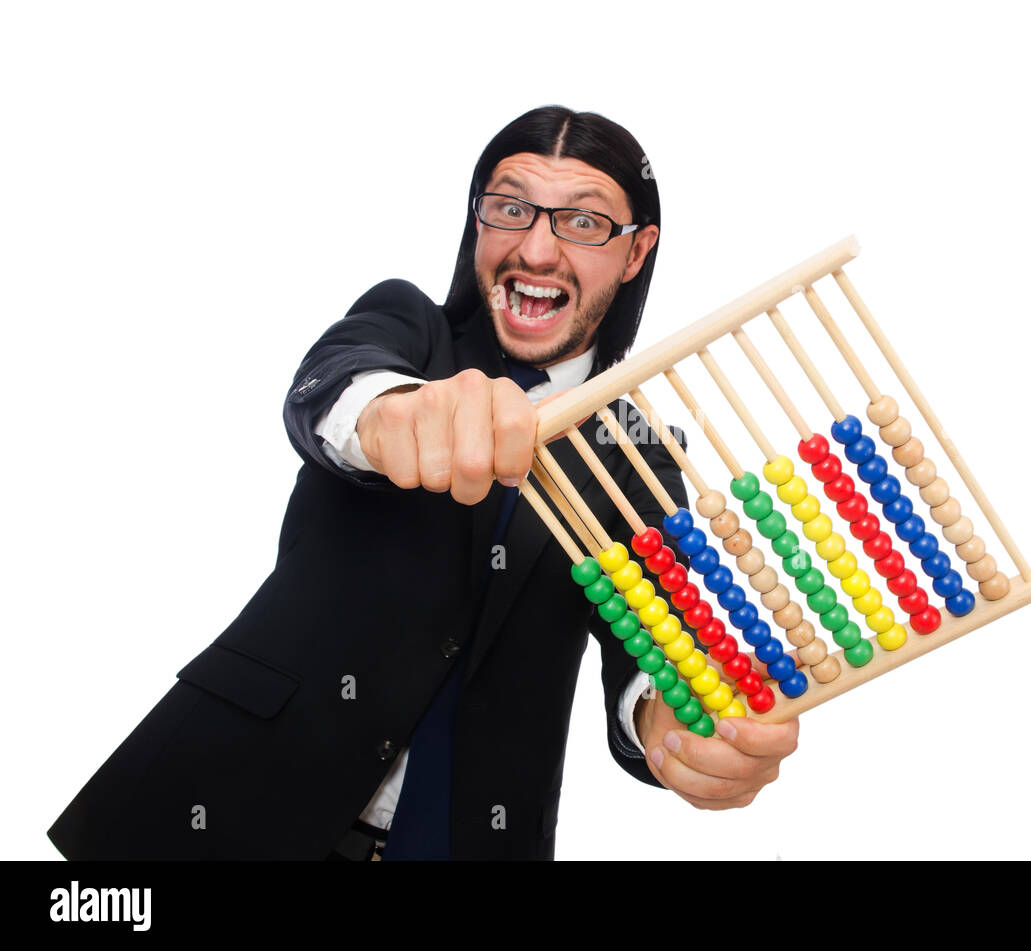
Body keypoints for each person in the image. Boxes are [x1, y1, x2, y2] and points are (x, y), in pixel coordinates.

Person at [47, 105, 799, 861]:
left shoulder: (636, 453)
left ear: (637, 253)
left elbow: (649, 642)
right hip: (222, 807)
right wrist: (394, 414)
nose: (536, 249)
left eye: (584, 222)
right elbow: (331, 388)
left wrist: (667, 721)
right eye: (510, 208)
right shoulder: (409, 329)